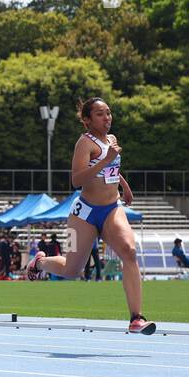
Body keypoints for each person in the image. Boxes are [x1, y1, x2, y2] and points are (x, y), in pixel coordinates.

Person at [27, 97, 154, 334]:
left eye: (108, 113)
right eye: (100, 114)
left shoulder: (112, 139)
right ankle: (40, 262)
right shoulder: (84, 143)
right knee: (72, 270)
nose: (107, 118)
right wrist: (105, 160)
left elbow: (111, 168)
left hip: (111, 209)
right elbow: (77, 180)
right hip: (84, 213)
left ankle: (136, 318)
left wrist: (123, 185)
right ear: (87, 120)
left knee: (129, 251)